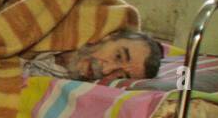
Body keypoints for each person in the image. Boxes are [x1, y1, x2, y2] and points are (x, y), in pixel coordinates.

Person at [22, 29, 162, 81]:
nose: (106, 70)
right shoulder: (56, 27)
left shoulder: (66, 89)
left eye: (120, 76)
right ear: (110, 36)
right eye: (118, 56)